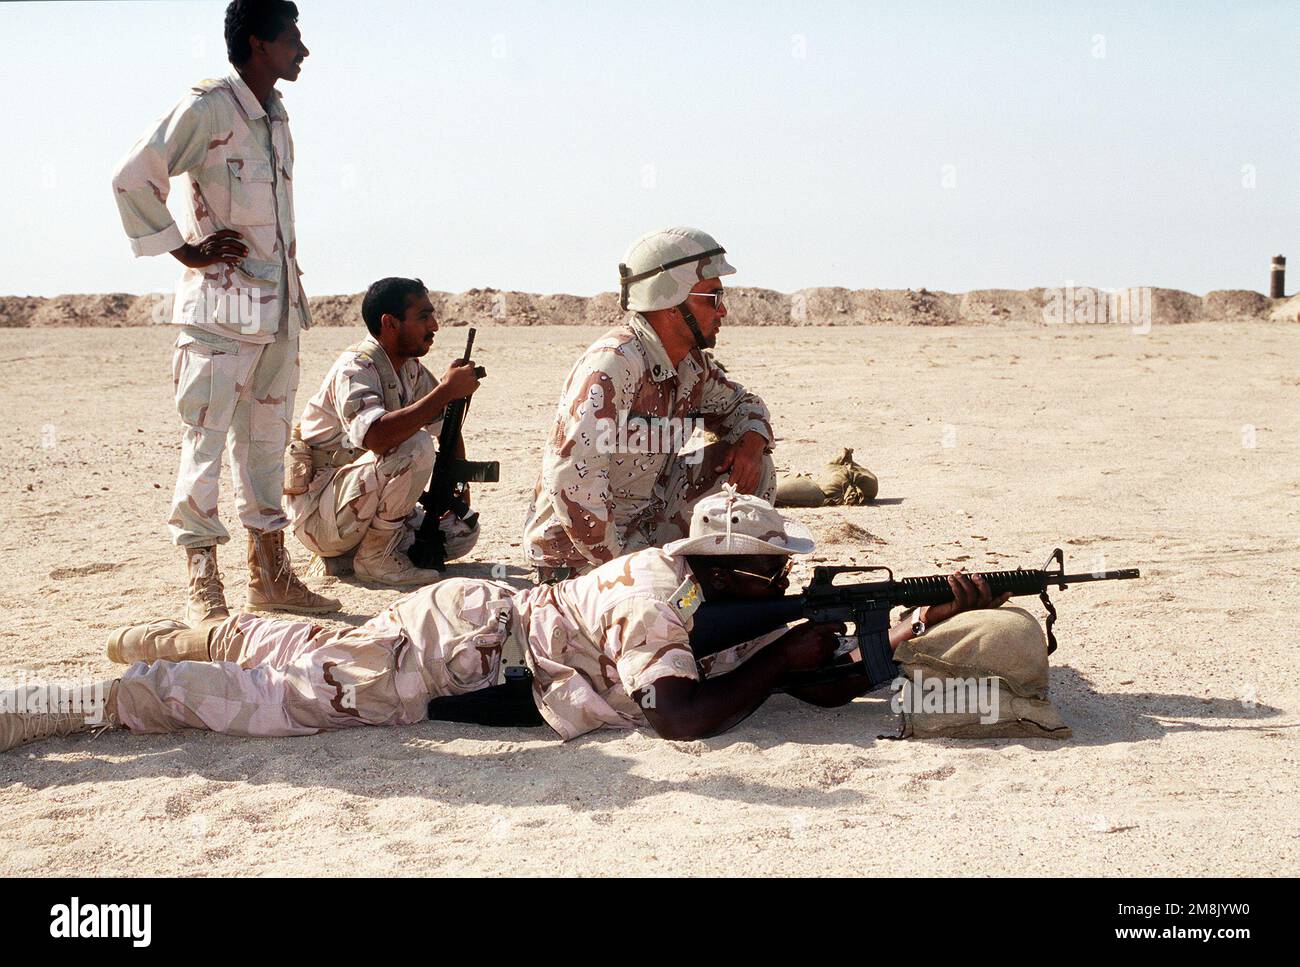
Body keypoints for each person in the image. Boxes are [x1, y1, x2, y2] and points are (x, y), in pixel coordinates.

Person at [0, 490, 1038, 751]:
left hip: (474, 621)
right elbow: (679, 715)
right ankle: (81, 701)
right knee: (288, 700)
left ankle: (186, 633)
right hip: (460, 650)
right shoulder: (652, 602)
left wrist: (881, 633)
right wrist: (782, 665)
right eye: (770, 574)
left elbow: (791, 665)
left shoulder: (697, 589)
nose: (779, 588)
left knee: (313, 649)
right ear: (728, 563)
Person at [110, 0, 338, 623]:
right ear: (259, 43)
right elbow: (134, 176)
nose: (303, 49)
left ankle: (270, 577)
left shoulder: (276, 116)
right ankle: (203, 583)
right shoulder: (209, 107)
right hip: (220, 313)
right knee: (205, 444)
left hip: (278, 313)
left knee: (265, 446)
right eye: (293, 36)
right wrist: (185, 249)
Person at [522, 226, 777, 581]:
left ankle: (721, 577)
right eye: (713, 298)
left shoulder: (690, 365)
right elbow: (571, 482)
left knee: (758, 466)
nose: (724, 312)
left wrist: (751, 445)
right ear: (670, 304)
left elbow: (745, 406)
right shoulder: (614, 364)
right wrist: (627, 571)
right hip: (582, 558)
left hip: (644, 528)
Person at [287, 278, 483, 586]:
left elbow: (445, 426)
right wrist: (445, 391)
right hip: (323, 512)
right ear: (390, 323)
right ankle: (375, 558)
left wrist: (454, 488)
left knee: (461, 531)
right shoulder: (356, 368)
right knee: (415, 445)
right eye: (423, 316)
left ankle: (357, 554)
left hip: (362, 499)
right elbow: (376, 438)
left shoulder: (409, 368)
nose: (434, 325)